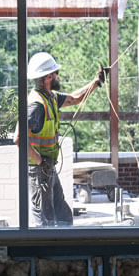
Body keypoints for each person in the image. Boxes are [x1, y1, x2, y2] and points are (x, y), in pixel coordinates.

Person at [18, 51, 107, 227]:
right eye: (56, 72)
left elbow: (74, 98)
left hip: (47, 167)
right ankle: (47, 244)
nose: (58, 75)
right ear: (48, 77)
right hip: (39, 168)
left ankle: (65, 240)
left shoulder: (50, 97)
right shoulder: (36, 105)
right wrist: (40, 161)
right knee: (45, 219)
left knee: (62, 214)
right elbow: (20, 139)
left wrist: (96, 82)